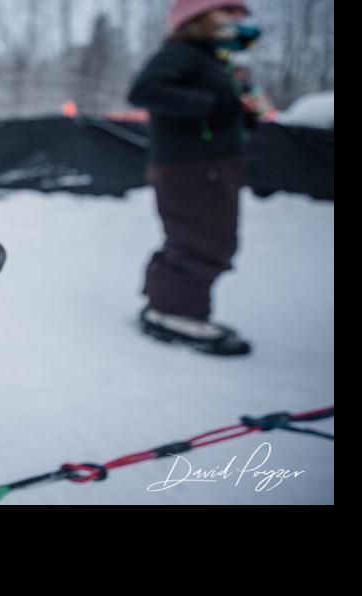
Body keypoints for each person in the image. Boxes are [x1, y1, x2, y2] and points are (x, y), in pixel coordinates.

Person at [127, 0, 261, 357]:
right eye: (228, 12)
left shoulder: (216, 60)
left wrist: (243, 108)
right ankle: (176, 315)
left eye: (241, 14)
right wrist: (213, 102)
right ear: (197, 19)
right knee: (204, 240)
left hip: (211, 162)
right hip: (191, 165)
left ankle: (166, 305)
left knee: (201, 237)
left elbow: (224, 113)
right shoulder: (183, 53)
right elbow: (145, 90)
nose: (239, 20)